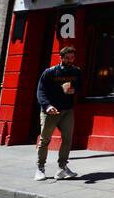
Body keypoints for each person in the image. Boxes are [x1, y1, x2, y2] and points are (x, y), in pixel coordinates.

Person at [35, 45, 82, 181]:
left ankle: (62, 168)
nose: (70, 60)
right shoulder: (50, 72)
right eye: (67, 58)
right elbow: (40, 91)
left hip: (67, 110)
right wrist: (47, 105)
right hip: (51, 111)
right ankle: (40, 168)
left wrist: (74, 90)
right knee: (45, 140)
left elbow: (80, 85)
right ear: (60, 58)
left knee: (67, 139)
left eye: (72, 58)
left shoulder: (76, 71)